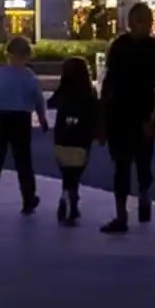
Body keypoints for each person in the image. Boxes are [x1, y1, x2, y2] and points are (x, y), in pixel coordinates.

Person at [99, 3, 155, 233]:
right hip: (119, 115)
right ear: (130, 23)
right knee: (121, 166)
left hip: (143, 115)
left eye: (146, 21)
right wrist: (102, 117)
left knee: (143, 165)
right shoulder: (119, 46)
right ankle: (122, 215)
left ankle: (144, 196)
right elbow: (108, 84)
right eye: (138, 20)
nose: (142, 25)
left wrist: (154, 118)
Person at [0, 36, 49, 226]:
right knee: (23, 161)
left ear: (8, 54)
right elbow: (38, 101)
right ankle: (28, 199)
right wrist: (43, 120)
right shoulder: (30, 77)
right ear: (27, 56)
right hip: (21, 120)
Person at [47, 56, 102, 226]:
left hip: (62, 136)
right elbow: (96, 113)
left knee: (65, 171)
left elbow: (50, 103)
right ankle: (72, 197)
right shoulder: (89, 93)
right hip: (81, 138)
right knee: (76, 171)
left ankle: (66, 196)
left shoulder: (63, 91)